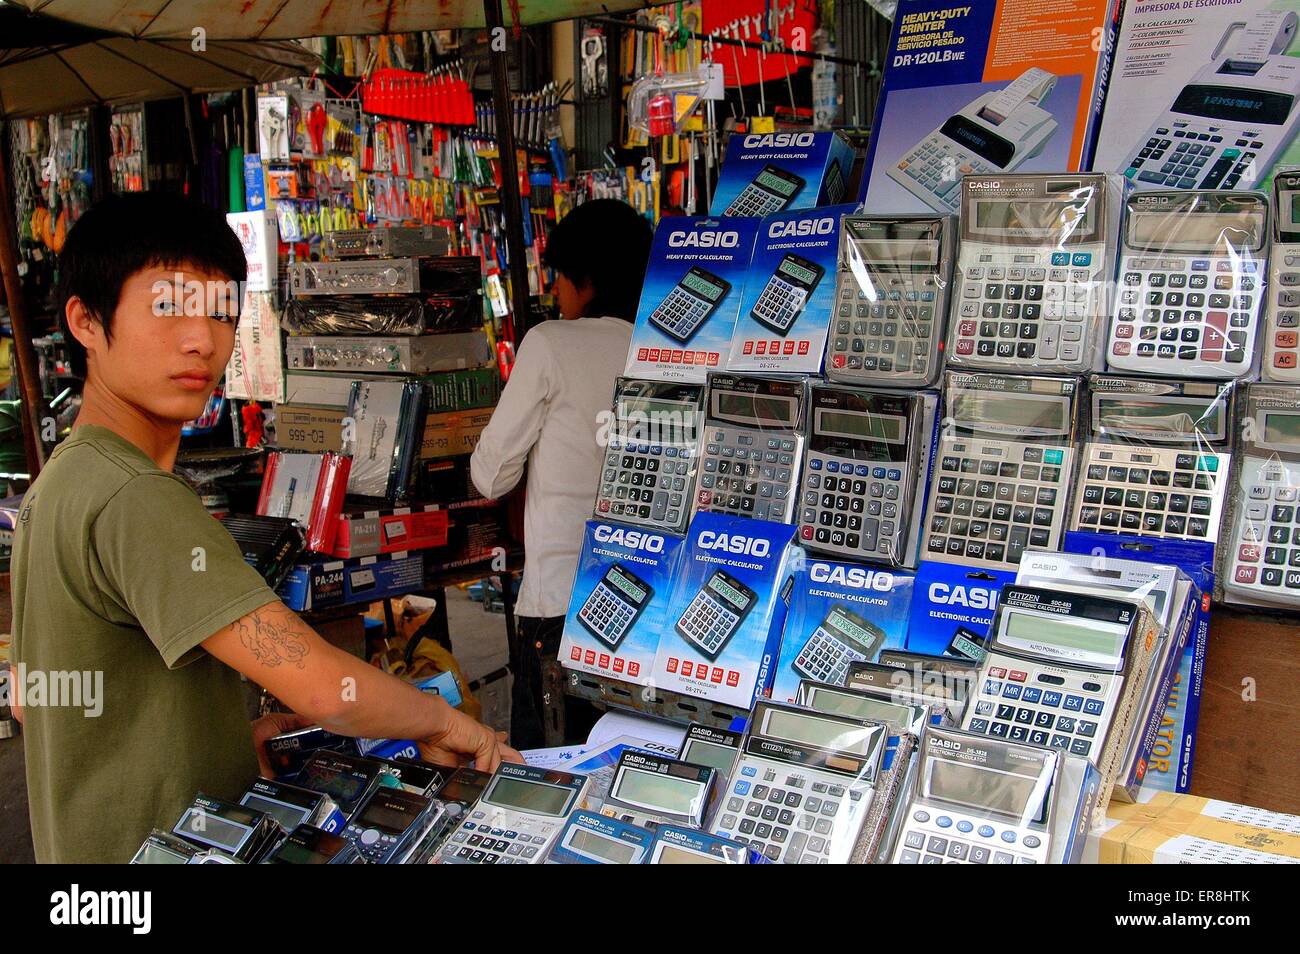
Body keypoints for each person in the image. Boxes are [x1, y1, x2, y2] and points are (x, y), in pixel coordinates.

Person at [9, 192, 520, 864]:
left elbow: (32, 698)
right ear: (85, 321)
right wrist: (443, 720)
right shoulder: (136, 496)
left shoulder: (61, 483)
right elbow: (312, 682)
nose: (203, 338)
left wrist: (219, 736)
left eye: (221, 311)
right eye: (169, 307)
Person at [471, 199, 653, 748]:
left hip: (559, 610)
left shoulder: (550, 342)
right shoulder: (665, 349)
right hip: (646, 604)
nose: (555, 294)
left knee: (552, 772)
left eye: (559, 279)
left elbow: (491, 475)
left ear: (586, 279)